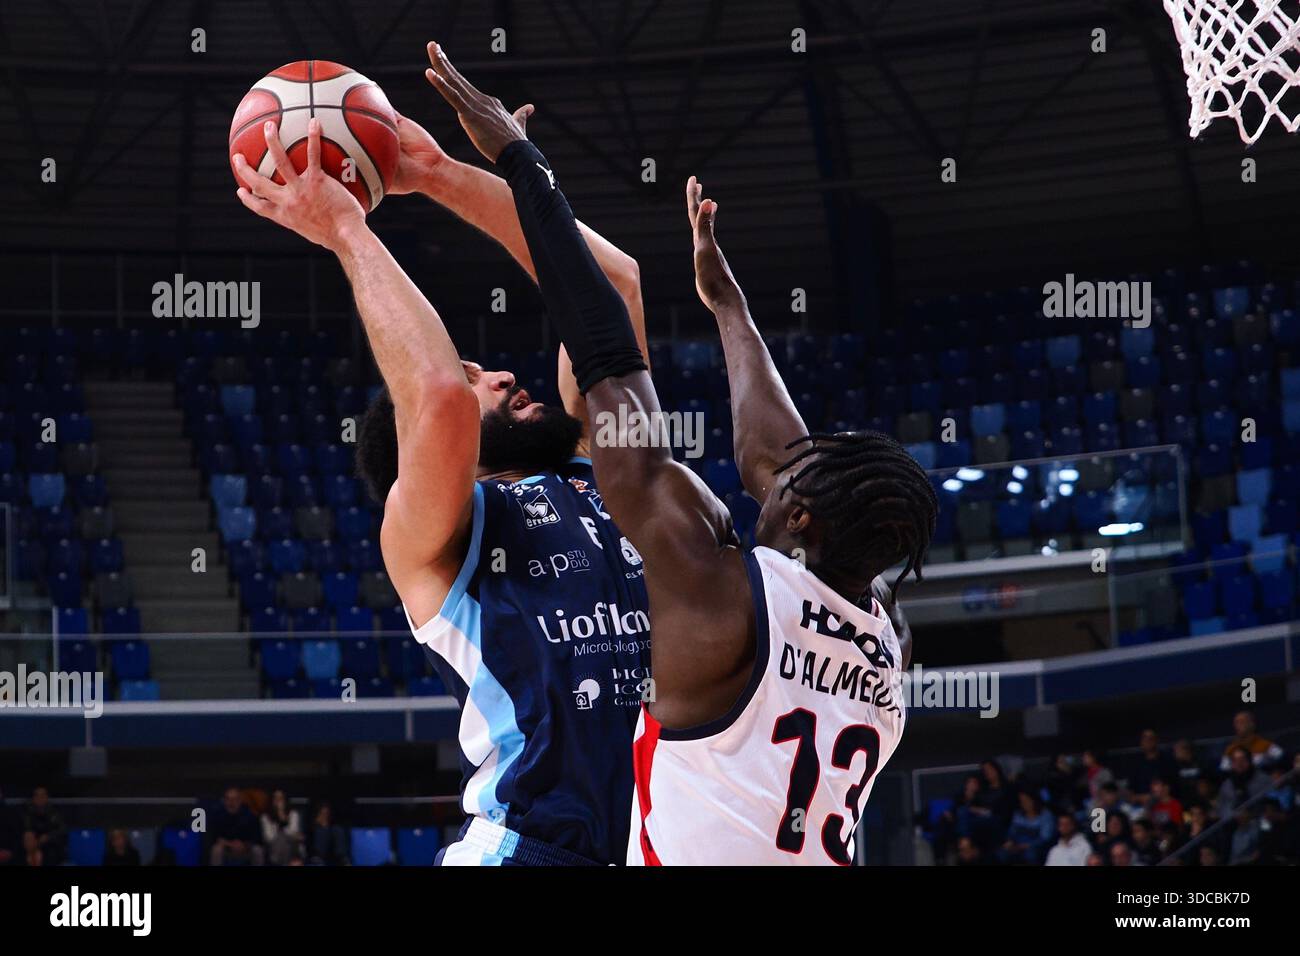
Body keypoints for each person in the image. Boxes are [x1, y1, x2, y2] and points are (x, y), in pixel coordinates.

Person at [423, 43, 935, 866]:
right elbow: (781, 462)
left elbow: (610, 363)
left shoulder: (716, 597)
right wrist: (730, 310)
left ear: (800, 513)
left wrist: (524, 166)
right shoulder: (885, 633)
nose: (773, 470)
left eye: (793, 479)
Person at [232, 47, 652, 866]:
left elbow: (614, 284)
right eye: (479, 375)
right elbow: (439, 397)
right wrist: (347, 230)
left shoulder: (608, 475)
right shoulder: (431, 538)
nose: (500, 373)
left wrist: (440, 174)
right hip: (525, 850)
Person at [209, 788, 264, 866]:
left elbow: (257, 838)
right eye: (228, 799)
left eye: (234, 799)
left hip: (246, 848)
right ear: (224, 801)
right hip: (227, 848)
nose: (231, 802)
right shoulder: (218, 815)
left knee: (257, 850)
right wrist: (230, 844)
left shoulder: (250, 815)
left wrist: (244, 845)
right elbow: (214, 838)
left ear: (240, 800)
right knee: (216, 850)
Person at [1218, 710, 1283, 770]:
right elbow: (1224, 769)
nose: (1238, 726)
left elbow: (1283, 759)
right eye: (1236, 723)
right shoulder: (1231, 749)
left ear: (1252, 724)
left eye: (1242, 722)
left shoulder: (1266, 745)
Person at [1217, 745, 1269, 817]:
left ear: (1250, 760)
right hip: (1236, 823)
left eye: (1243, 759)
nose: (1239, 764)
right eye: (1235, 760)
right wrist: (1236, 816)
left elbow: (1269, 804)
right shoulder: (1226, 785)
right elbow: (1223, 810)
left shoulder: (1263, 779)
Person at [22, 786, 66, 866]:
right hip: (31, 845)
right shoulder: (26, 811)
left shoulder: (54, 812)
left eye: (43, 795)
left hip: (50, 844)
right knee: (29, 840)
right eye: (37, 795)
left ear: (47, 797)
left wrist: (48, 836)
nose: (40, 798)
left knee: (46, 855)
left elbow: (62, 829)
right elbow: (24, 828)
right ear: (33, 798)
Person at [260, 789, 305, 866]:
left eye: (280, 798)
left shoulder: (293, 814)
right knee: (281, 838)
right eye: (276, 798)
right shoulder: (265, 817)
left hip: (293, 850)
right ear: (272, 801)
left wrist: (283, 818)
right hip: (275, 852)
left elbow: (293, 834)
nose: (278, 801)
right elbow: (269, 838)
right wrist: (279, 823)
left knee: (290, 840)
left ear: (285, 800)